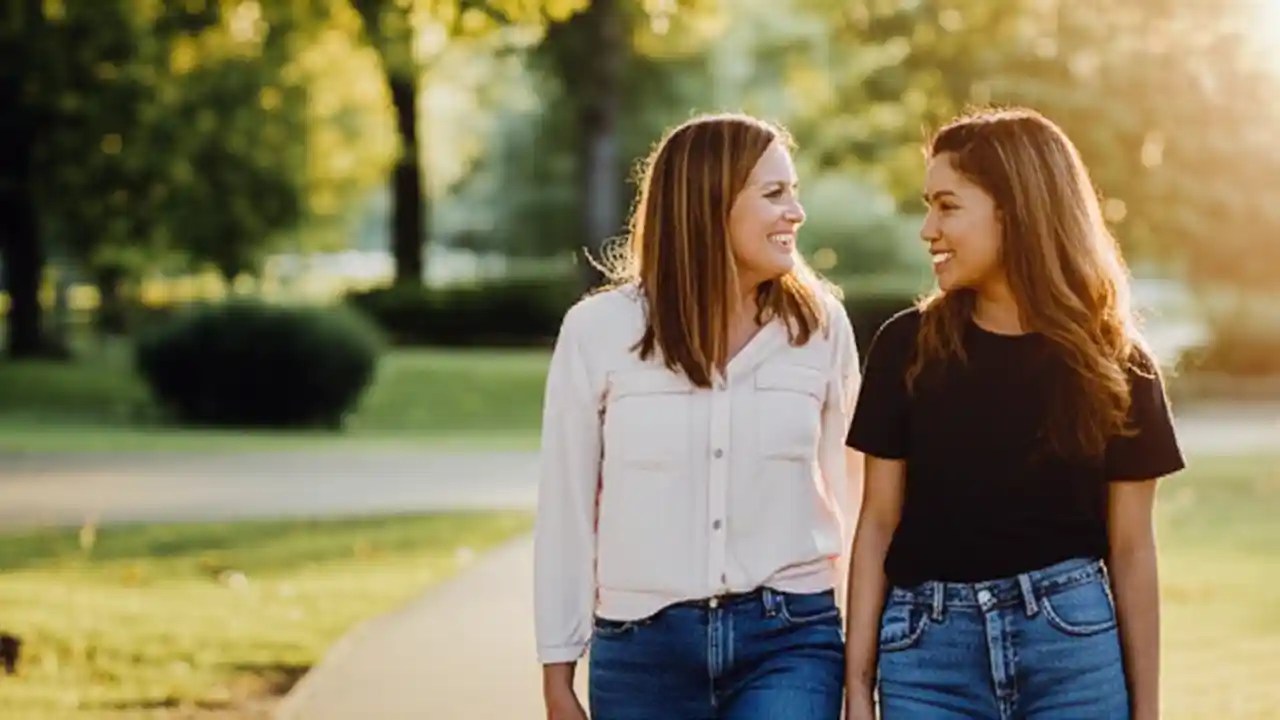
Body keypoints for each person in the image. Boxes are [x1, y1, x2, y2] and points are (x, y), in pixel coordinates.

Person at [843, 106, 1185, 720]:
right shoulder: (905, 349)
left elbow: (1132, 550)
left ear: (1015, 209)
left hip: (1072, 653)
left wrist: (1148, 709)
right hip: (926, 660)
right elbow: (876, 525)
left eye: (948, 206)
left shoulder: (1117, 364)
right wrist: (858, 693)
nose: (927, 229)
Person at [534, 112, 861, 720]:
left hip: (791, 638)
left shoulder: (820, 329)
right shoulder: (600, 331)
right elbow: (566, 507)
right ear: (709, 203)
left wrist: (862, 667)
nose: (797, 212)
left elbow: (855, 499)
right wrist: (557, 674)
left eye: (794, 192)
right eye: (774, 193)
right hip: (641, 650)